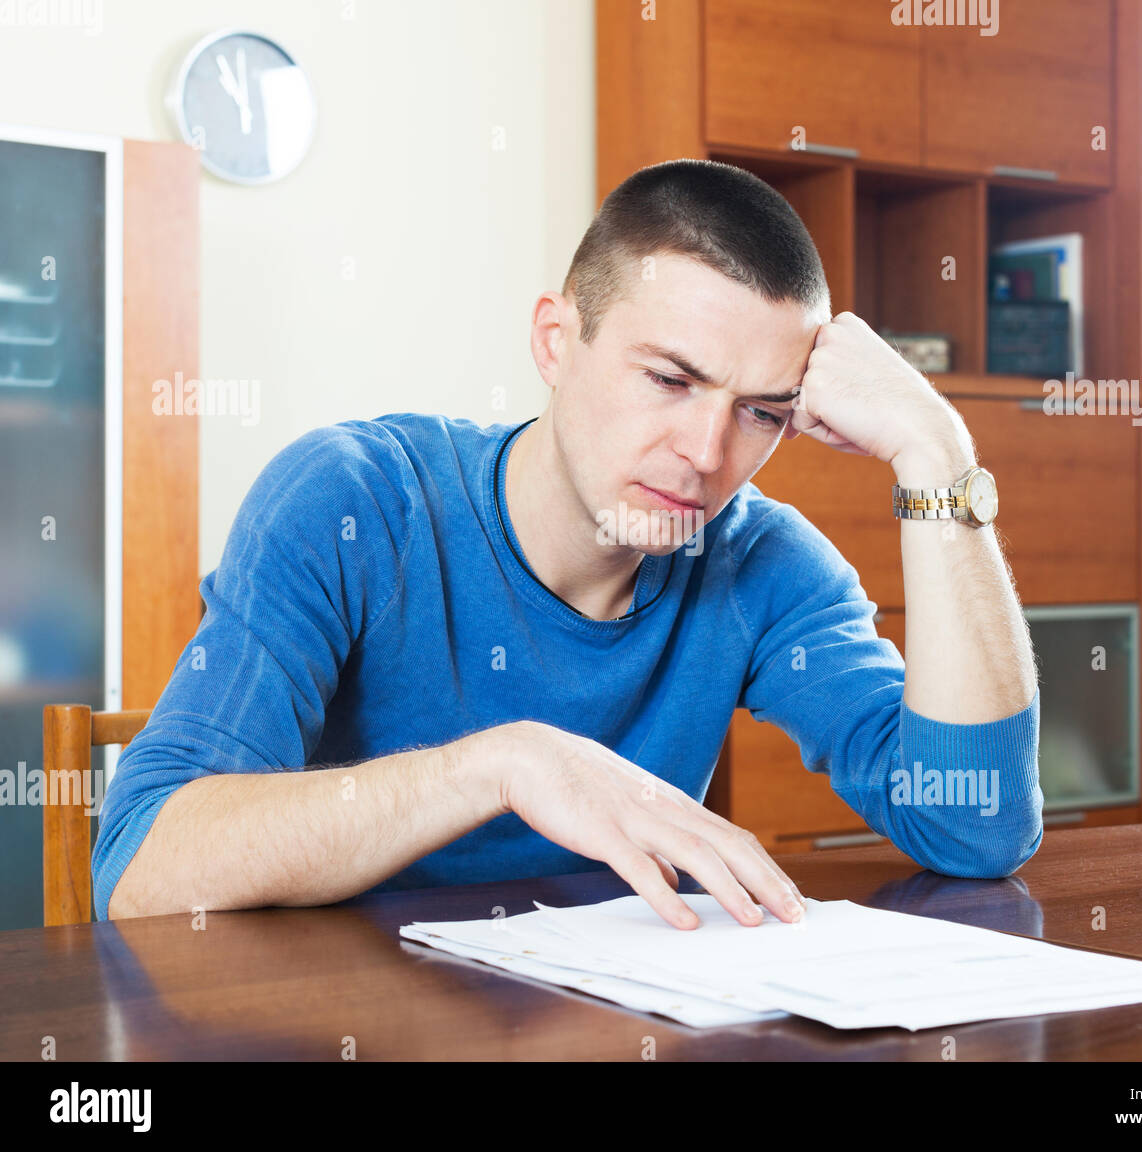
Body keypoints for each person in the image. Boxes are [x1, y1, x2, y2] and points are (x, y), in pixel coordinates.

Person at [93, 159, 1041, 932]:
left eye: (761, 413)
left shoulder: (761, 562)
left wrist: (939, 457)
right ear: (556, 339)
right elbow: (142, 866)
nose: (707, 455)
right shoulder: (352, 500)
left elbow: (976, 825)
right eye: (670, 379)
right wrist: (504, 765)